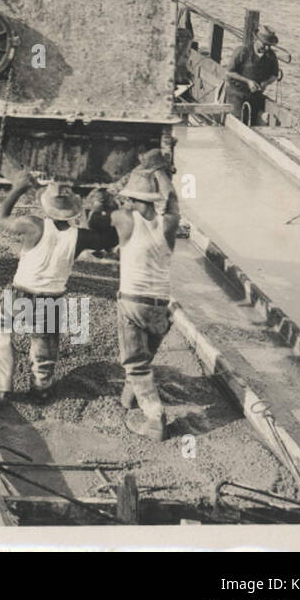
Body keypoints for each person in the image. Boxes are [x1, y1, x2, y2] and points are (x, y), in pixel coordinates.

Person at [0, 171, 118, 402]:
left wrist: (18, 188)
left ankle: (4, 381)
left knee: (0, 326)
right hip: (51, 298)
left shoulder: (33, 224)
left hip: (21, 292)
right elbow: (109, 239)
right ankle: (41, 387)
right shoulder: (81, 237)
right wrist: (103, 208)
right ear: (74, 210)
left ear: (45, 206)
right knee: (44, 343)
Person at [111, 164, 180, 441]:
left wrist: (117, 195)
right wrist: (161, 172)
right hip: (160, 305)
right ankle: (129, 398)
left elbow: (104, 211)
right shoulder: (169, 225)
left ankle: (155, 419)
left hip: (132, 301)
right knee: (145, 355)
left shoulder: (124, 220)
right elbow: (172, 201)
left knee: (135, 362)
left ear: (133, 200)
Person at [224, 26, 281, 126]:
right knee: (238, 121)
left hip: (255, 96)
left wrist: (265, 83)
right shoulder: (242, 51)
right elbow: (229, 72)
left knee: (254, 122)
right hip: (236, 94)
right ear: (256, 40)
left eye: (269, 45)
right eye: (264, 44)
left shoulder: (271, 56)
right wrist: (248, 81)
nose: (267, 48)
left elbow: (274, 75)